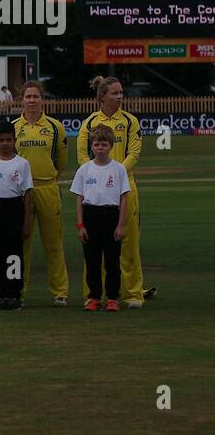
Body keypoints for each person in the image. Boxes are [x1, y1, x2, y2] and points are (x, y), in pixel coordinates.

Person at [76, 75, 147, 308]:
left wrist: (115, 174)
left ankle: (133, 293)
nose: (120, 97)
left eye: (121, 93)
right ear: (102, 96)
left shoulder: (129, 121)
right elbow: (82, 157)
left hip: (125, 187)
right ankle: (93, 294)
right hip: (95, 192)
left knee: (127, 243)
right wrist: (100, 175)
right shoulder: (89, 123)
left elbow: (134, 154)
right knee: (93, 246)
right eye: (115, 93)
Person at [13, 80, 69, 306]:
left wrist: (51, 175)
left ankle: (60, 291)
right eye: (28, 97)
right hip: (20, 192)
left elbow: (61, 160)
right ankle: (18, 290)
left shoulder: (55, 127)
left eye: (36, 96)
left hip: (47, 187)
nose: (32, 100)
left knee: (53, 243)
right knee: (20, 244)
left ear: (42, 99)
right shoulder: (15, 126)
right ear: (22, 100)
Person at [72, 125, 131, 312]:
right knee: (92, 261)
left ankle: (112, 297)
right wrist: (80, 225)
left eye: (104, 144)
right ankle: (94, 297)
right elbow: (79, 198)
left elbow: (123, 198)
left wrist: (121, 225)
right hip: (90, 215)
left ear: (111, 145)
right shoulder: (84, 169)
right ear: (91, 146)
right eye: (96, 144)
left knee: (113, 261)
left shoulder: (119, 169)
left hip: (111, 215)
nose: (100, 148)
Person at [0, 121, 34, 311]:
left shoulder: (22, 164)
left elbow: (27, 194)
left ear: (14, 140)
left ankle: (15, 293)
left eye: (8, 140)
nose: (5, 143)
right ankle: (2, 293)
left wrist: (26, 222)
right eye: (1, 140)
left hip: (14, 208)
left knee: (14, 255)